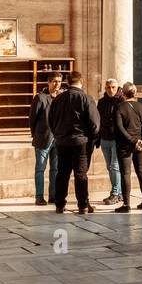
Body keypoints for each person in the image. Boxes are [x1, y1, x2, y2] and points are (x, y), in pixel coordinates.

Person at [47, 69, 100, 214]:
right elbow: (94, 124)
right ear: (81, 82)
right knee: (80, 173)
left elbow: (50, 120)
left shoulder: (58, 99)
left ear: (68, 82)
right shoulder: (86, 98)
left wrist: (58, 134)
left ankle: (59, 204)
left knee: (62, 173)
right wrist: (92, 138)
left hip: (62, 141)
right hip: (80, 142)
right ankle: (82, 205)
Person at [113, 81, 142, 213]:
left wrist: (133, 141)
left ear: (122, 93)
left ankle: (126, 204)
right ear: (135, 93)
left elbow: (120, 128)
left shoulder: (119, 108)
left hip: (125, 144)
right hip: (140, 144)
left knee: (125, 173)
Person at [28, 72, 62, 205]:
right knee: (40, 168)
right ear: (48, 82)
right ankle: (39, 196)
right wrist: (36, 134)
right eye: (54, 81)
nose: (56, 84)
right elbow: (32, 119)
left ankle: (53, 196)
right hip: (43, 138)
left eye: (59, 81)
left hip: (58, 139)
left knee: (55, 169)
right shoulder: (40, 98)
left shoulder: (61, 97)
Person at [96, 79, 124, 206]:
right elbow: (98, 119)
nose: (110, 90)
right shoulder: (101, 102)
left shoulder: (122, 101)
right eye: (108, 87)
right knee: (110, 167)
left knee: (114, 166)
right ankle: (119, 192)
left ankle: (115, 193)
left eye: (113, 87)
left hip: (117, 139)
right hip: (104, 138)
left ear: (117, 88)